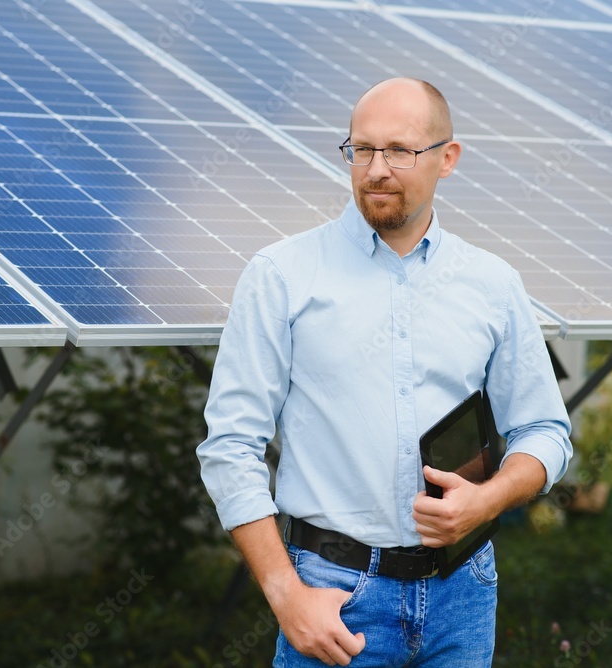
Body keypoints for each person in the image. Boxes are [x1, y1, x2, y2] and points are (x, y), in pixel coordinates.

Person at [197, 77, 572, 667]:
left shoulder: (493, 284)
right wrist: (286, 595)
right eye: (361, 149)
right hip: (333, 595)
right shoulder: (282, 276)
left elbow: (545, 431)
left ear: (447, 159)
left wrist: (488, 499)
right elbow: (230, 448)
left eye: (399, 150)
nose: (375, 168)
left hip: (463, 595)